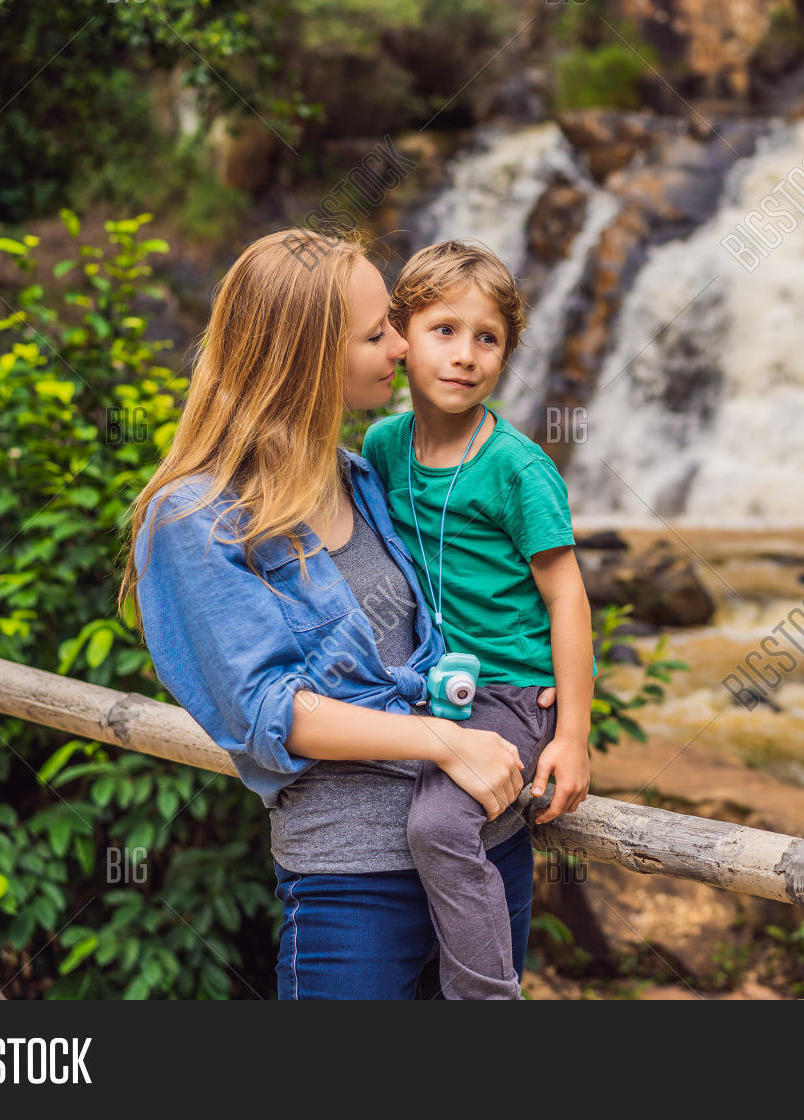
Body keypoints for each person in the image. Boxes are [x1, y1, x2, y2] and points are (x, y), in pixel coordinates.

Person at [118, 228, 542, 1000]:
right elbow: (267, 711)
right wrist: (445, 740)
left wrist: (537, 699)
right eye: (379, 331)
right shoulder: (194, 518)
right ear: (311, 353)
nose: (403, 347)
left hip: (486, 844)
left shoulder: (360, 474)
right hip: (358, 884)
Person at [362, 238, 594, 1000]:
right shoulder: (384, 446)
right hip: (430, 685)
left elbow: (567, 596)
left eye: (486, 338)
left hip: (510, 691)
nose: (465, 355)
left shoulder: (518, 469)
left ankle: (489, 998)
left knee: (436, 826)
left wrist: (571, 737)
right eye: (444, 331)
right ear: (400, 338)